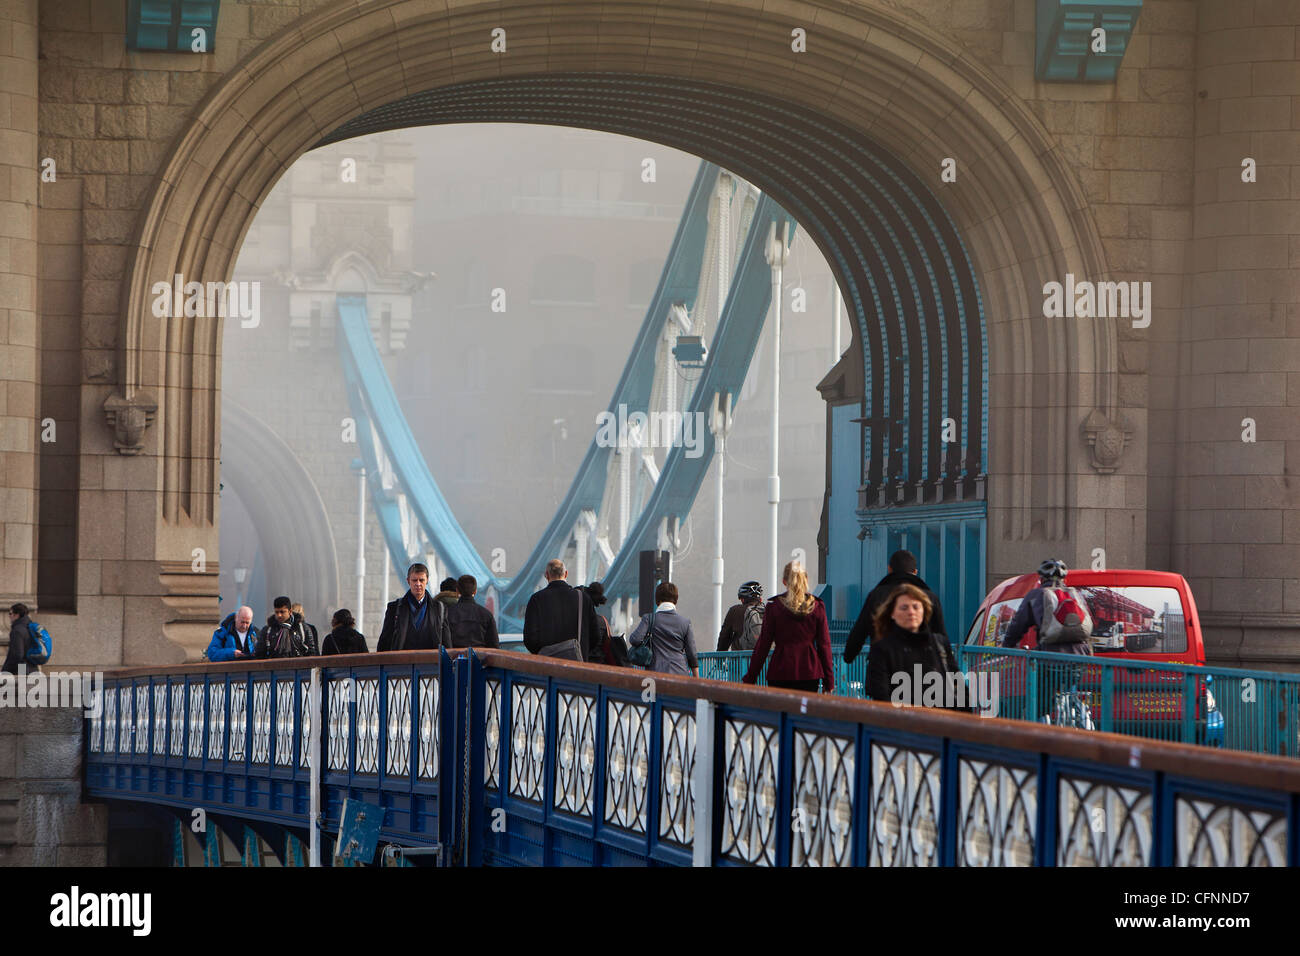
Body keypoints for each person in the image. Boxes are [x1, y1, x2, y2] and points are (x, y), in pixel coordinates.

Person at [865, 583, 962, 707]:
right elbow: (881, 696)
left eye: (916, 607)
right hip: (903, 723)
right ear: (892, 613)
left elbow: (958, 687)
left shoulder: (939, 644)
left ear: (924, 610)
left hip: (942, 722)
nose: (911, 612)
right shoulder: (882, 650)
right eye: (904, 608)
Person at [741, 562, 833, 692]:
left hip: (780, 670)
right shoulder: (816, 606)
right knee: (803, 711)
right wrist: (829, 682)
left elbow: (763, 645)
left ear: (784, 581)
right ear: (805, 580)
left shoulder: (774, 607)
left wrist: (751, 678)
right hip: (809, 672)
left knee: (781, 711)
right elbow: (824, 646)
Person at [844, 549, 947, 664]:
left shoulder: (876, 595)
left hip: (883, 665)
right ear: (915, 572)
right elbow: (940, 635)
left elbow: (860, 631)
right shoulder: (929, 597)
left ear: (889, 569)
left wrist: (849, 655)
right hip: (920, 669)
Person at [1001, 559, 1094, 657]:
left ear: (1041, 580)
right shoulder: (1074, 594)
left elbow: (1017, 625)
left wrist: (1007, 646)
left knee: (1039, 666)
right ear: (1064, 580)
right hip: (1080, 655)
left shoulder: (1036, 595)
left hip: (1050, 656)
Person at [523, 558, 601, 660]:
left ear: (546, 575)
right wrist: (581, 651)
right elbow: (595, 636)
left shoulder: (536, 599)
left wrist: (545, 652)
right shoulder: (583, 598)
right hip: (576, 667)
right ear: (566, 574)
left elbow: (530, 639)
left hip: (547, 665)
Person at [627, 581, 698, 676]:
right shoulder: (685, 622)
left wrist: (648, 642)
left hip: (655, 674)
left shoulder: (649, 619)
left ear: (657, 599)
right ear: (676, 600)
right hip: (679, 674)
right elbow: (692, 655)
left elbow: (635, 639)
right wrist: (696, 678)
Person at [378, 563, 451, 651]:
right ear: (408, 581)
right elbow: (385, 640)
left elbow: (446, 642)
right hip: (402, 661)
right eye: (414, 580)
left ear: (427, 580)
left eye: (421, 580)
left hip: (431, 661)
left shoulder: (440, 609)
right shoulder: (394, 608)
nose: (418, 584)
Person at [446, 574, 500, 649]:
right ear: (475, 591)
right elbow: (494, 645)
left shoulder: (448, 613)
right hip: (481, 658)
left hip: (455, 658)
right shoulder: (486, 615)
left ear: (457, 591)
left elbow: (444, 642)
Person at [576, 581, 618, 665]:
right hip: (598, 665)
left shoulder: (576, 620)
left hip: (579, 662)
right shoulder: (603, 621)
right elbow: (606, 646)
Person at [718, 580, 763, 652]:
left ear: (742, 599)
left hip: (741, 660)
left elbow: (724, 637)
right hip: (766, 660)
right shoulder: (768, 611)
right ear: (760, 599)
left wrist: (719, 659)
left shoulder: (735, 610)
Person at [3, 603, 33, 675]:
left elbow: (18, 655)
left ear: (17, 615)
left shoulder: (17, 630)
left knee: (20, 686)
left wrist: (5, 671)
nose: (9, 616)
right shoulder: (30, 627)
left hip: (21, 669)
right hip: (32, 668)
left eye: (10, 613)